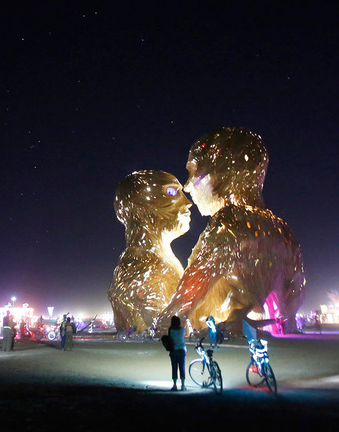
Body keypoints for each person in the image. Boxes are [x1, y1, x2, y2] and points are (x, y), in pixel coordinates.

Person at [159, 128, 306, 336]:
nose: (188, 185)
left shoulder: (228, 222)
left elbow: (194, 284)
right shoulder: (284, 231)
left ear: (224, 173)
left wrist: (165, 324)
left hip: (230, 329)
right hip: (273, 328)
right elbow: (295, 293)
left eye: (194, 171)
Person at [107, 170, 192, 335]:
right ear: (140, 206)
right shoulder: (142, 267)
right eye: (171, 192)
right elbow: (165, 327)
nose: (188, 202)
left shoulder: (162, 260)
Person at [168, 315, 187, 391]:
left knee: (174, 367)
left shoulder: (170, 330)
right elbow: (184, 335)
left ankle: (174, 385)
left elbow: (169, 339)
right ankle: (183, 385)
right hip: (182, 350)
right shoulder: (182, 329)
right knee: (182, 367)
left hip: (173, 350)